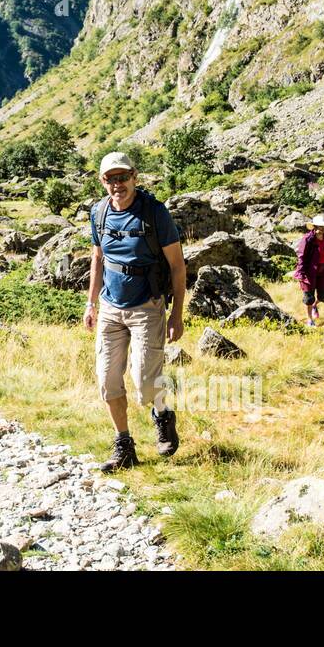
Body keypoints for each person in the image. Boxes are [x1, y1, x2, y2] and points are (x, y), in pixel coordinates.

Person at [84, 152, 188, 471]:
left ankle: (162, 414)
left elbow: (177, 266)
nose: (118, 184)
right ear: (103, 182)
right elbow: (98, 259)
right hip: (110, 307)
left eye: (123, 177)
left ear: (135, 176)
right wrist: (91, 304)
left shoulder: (155, 213)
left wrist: (177, 314)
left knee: (145, 384)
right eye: (110, 179)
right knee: (107, 380)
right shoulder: (99, 213)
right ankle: (124, 445)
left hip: (147, 306)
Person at [294, 215, 324, 327]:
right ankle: (309, 319)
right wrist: (301, 273)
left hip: (323, 270)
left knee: (323, 295)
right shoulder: (307, 239)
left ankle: (314, 306)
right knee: (309, 297)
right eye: (320, 226)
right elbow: (301, 256)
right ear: (315, 226)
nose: (322, 228)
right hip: (309, 270)